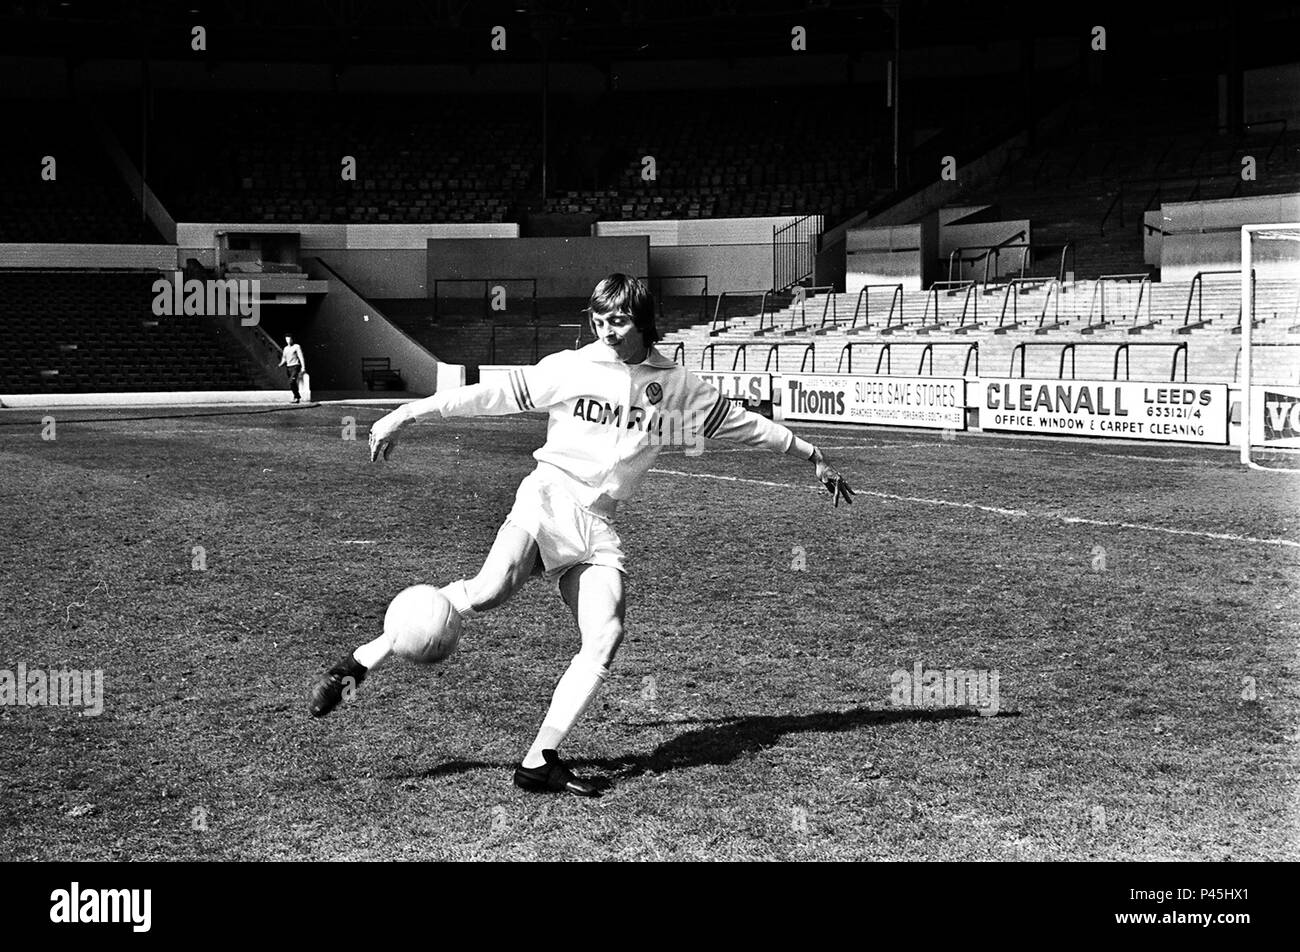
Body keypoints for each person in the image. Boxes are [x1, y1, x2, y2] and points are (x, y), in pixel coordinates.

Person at [308, 274, 854, 797]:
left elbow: (743, 424)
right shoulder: (570, 368)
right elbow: (485, 397)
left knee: (605, 632)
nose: (607, 330)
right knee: (488, 591)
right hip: (550, 497)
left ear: (644, 321)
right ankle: (360, 661)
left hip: (599, 524)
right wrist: (407, 413)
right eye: (599, 320)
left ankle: (538, 761)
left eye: (618, 320)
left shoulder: (681, 386)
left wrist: (812, 456)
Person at [278, 335, 306, 403]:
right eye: (286, 340)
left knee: (292, 381)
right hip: (288, 367)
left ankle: (297, 397)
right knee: (292, 384)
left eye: (289, 339)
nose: (288, 341)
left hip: (295, 366)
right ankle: (296, 397)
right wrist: (280, 364)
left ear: (292, 339)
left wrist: (303, 367)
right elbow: (284, 358)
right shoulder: (285, 348)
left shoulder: (296, 346)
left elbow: (301, 357)